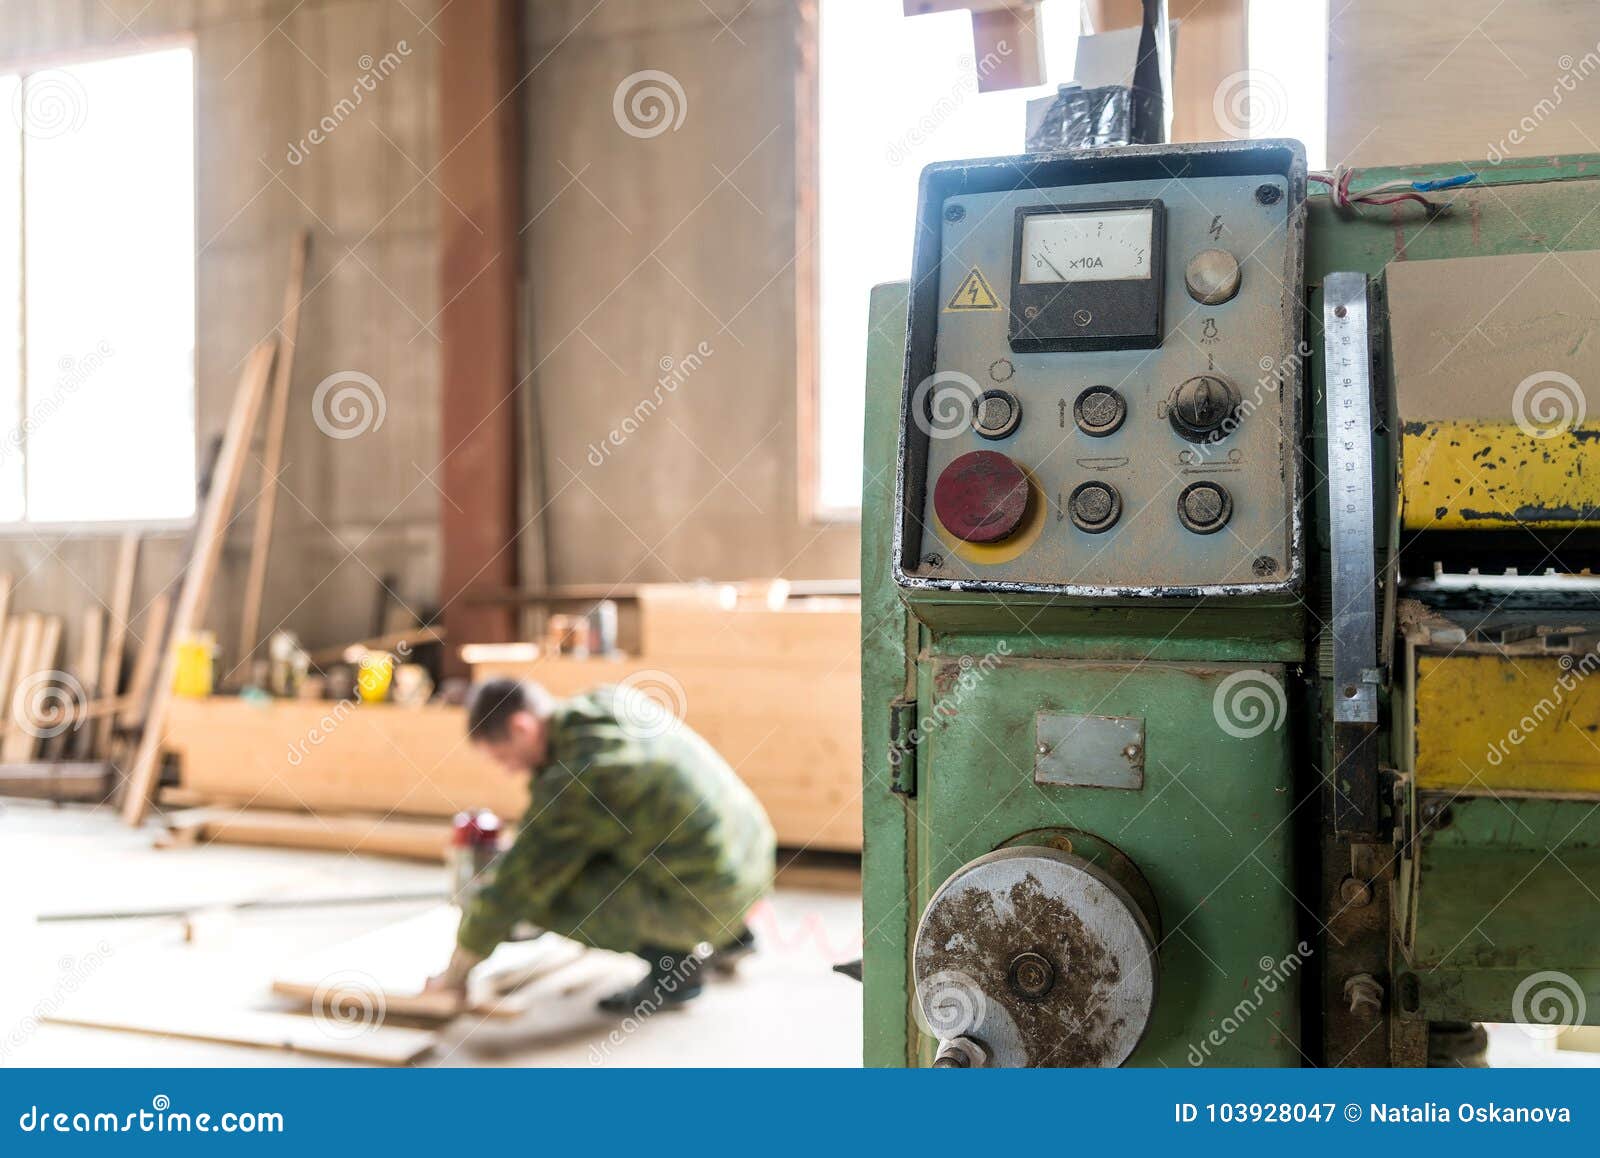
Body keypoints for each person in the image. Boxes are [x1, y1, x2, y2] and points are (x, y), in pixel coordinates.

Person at [425, 677, 776, 1014]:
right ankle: (732, 936)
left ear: (522, 727)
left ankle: (674, 971)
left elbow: (513, 889)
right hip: (751, 862)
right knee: (613, 849)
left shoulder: (579, 778)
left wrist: (456, 974)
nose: (509, 770)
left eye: (503, 757)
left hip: (712, 897)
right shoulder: (605, 703)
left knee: (545, 897)